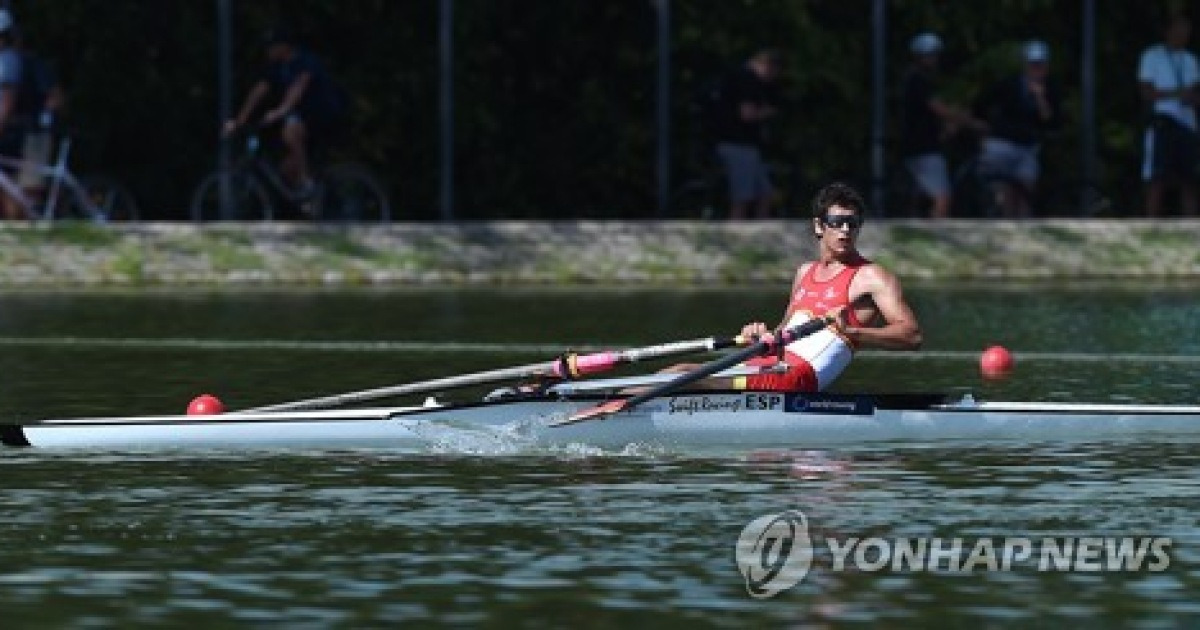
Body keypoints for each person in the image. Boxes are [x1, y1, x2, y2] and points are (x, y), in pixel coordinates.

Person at [665, 182, 922, 393]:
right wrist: (759, 338)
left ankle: (624, 414)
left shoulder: (872, 276)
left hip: (795, 378)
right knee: (673, 373)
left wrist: (853, 331)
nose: (845, 230)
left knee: (680, 375)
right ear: (819, 226)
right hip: (767, 366)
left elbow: (911, 336)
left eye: (852, 223)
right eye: (837, 221)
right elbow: (782, 335)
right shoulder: (804, 272)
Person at [223, 26, 347, 206]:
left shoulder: (305, 60)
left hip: (324, 113)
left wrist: (281, 110)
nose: (268, 51)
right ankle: (313, 201)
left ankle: (306, 184)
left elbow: (298, 87)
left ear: (284, 47)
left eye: (271, 47)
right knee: (286, 170)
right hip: (304, 118)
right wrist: (239, 121)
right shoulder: (277, 67)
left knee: (290, 131)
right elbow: (259, 91)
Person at [972, 40, 1063, 217]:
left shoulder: (1051, 88)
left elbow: (1050, 120)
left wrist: (1040, 98)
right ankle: (1005, 223)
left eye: (1040, 65)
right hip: (1004, 142)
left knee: (1026, 187)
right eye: (1033, 65)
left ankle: (1024, 227)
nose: (1037, 69)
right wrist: (983, 126)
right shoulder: (1009, 84)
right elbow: (982, 103)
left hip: (1028, 145)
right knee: (1006, 191)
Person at [899, 33, 985, 219]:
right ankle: (935, 233)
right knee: (942, 197)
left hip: (924, 146)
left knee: (922, 195)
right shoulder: (917, 80)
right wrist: (970, 122)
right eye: (929, 55)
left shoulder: (921, 80)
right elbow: (939, 109)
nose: (933, 60)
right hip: (923, 148)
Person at [1139, 14, 1200, 217]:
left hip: (1187, 123)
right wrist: (1175, 94)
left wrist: (1191, 98)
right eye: (1178, 30)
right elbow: (1146, 92)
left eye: (1186, 31)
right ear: (1168, 32)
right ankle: (1151, 223)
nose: (1182, 35)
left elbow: (1193, 91)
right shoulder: (1152, 56)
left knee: (1189, 179)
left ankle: (1191, 225)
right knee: (1158, 177)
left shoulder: (1190, 59)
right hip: (1162, 122)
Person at [711, 48, 782, 220]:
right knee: (742, 198)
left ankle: (760, 236)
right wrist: (768, 112)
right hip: (737, 145)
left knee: (764, 195)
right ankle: (735, 239)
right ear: (767, 66)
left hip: (745, 147)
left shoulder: (738, 77)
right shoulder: (747, 79)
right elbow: (747, 113)